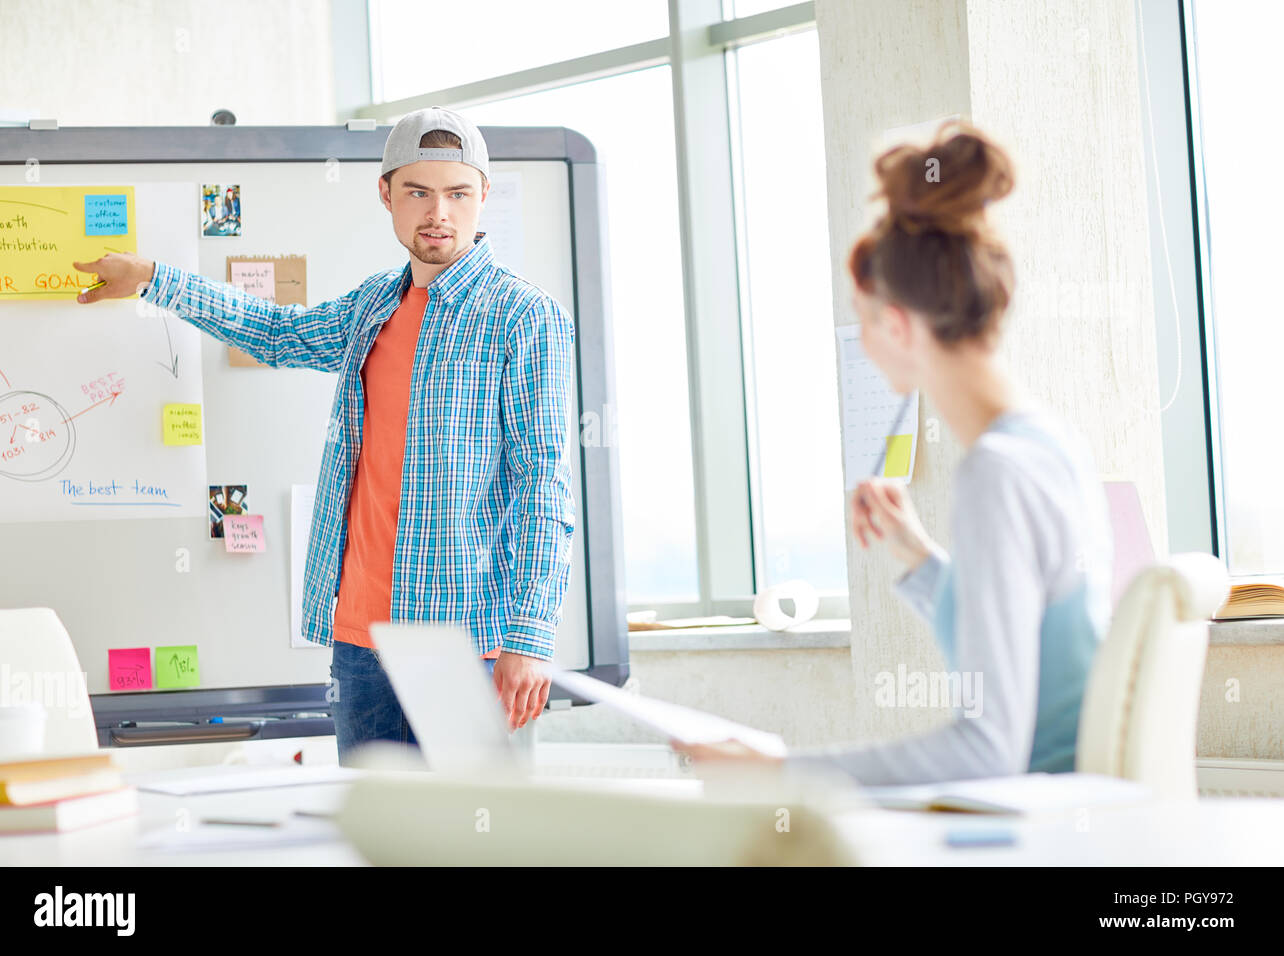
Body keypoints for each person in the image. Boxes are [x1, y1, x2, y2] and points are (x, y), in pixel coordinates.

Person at [72, 107, 575, 762]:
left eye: (458, 193)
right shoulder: (374, 305)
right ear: (386, 194)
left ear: (483, 196)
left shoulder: (524, 318)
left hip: (465, 646)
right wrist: (152, 279)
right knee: (372, 840)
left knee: (464, 842)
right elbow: (275, 332)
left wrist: (530, 638)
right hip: (361, 643)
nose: (438, 213)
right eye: (418, 191)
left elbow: (545, 488)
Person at [677, 122, 1112, 784]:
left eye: (861, 319)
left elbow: (985, 749)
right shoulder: (1046, 443)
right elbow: (1030, 649)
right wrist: (917, 557)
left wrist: (778, 770)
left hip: (1033, 827)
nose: (863, 344)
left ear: (900, 325)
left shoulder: (995, 472)